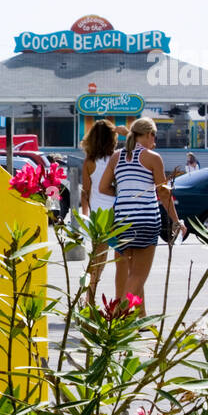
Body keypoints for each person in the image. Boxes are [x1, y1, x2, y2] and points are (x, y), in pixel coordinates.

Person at [99, 117, 182, 303]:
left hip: (121, 222)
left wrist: (125, 194)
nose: (155, 141)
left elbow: (103, 187)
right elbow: (163, 193)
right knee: (137, 276)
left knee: (130, 273)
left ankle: (138, 317)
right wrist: (177, 221)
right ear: (148, 134)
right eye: (154, 135)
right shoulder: (153, 158)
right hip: (146, 220)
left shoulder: (116, 157)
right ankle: (119, 319)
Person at [79, 119, 119, 305]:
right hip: (118, 212)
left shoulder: (89, 162)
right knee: (123, 261)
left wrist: (85, 216)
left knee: (96, 262)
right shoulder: (117, 158)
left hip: (98, 215)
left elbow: (86, 192)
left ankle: (88, 299)